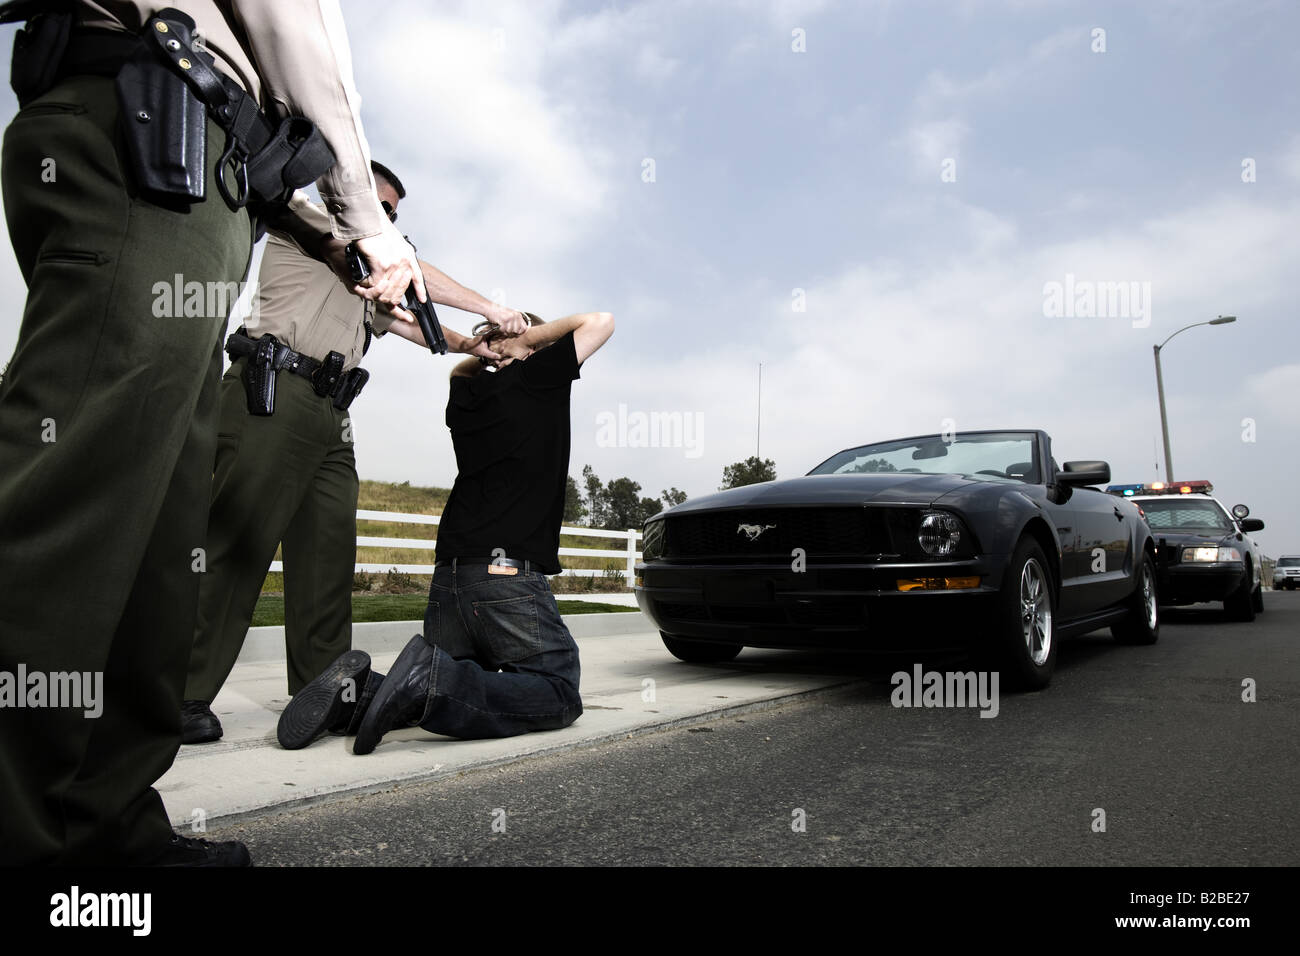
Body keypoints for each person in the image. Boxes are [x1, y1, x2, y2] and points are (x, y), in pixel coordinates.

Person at [0, 0, 422, 866]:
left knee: (158, 541)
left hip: (202, 166)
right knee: (77, 497)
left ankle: (107, 828)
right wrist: (366, 224)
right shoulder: (336, 228)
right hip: (154, 131)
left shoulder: (316, 241)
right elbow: (290, 18)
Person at [182, 160, 529, 745]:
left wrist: (473, 344)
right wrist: (490, 309)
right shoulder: (308, 218)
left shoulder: (368, 278)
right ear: (348, 194)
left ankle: (323, 692)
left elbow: (409, 321)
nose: (387, 220)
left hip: (331, 413)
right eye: (381, 207)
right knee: (238, 544)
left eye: (394, 214)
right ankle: (178, 693)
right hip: (273, 392)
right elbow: (396, 266)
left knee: (327, 555)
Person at [277, 310, 615, 752]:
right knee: (556, 689)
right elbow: (600, 322)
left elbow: (460, 366)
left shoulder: (469, 394)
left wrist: (489, 349)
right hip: (504, 578)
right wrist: (524, 340)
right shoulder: (539, 378)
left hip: (450, 579)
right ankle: (427, 679)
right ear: (532, 347)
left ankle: (355, 698)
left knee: (457, 684)